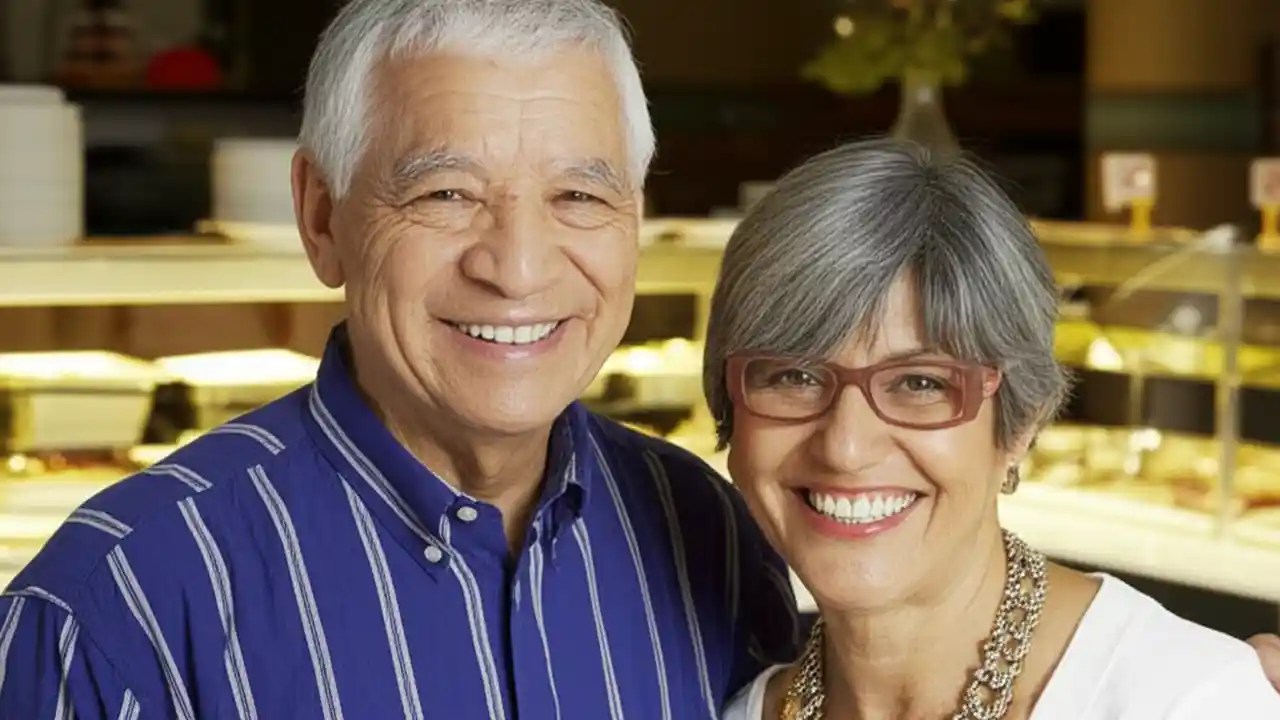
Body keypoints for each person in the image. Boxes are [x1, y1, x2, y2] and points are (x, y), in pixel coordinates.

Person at [0, 1, 799, 717]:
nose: (518, 269)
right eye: (446, 194)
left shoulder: (713, 537)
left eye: (579, 196)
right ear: (322, 218)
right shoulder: (114, 606)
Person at [708, 138, 1280, 719]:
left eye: (920, 383)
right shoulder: (738, 711)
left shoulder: (1183, 700)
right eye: (794, 376)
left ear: (1021, 421)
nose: (846, 447)